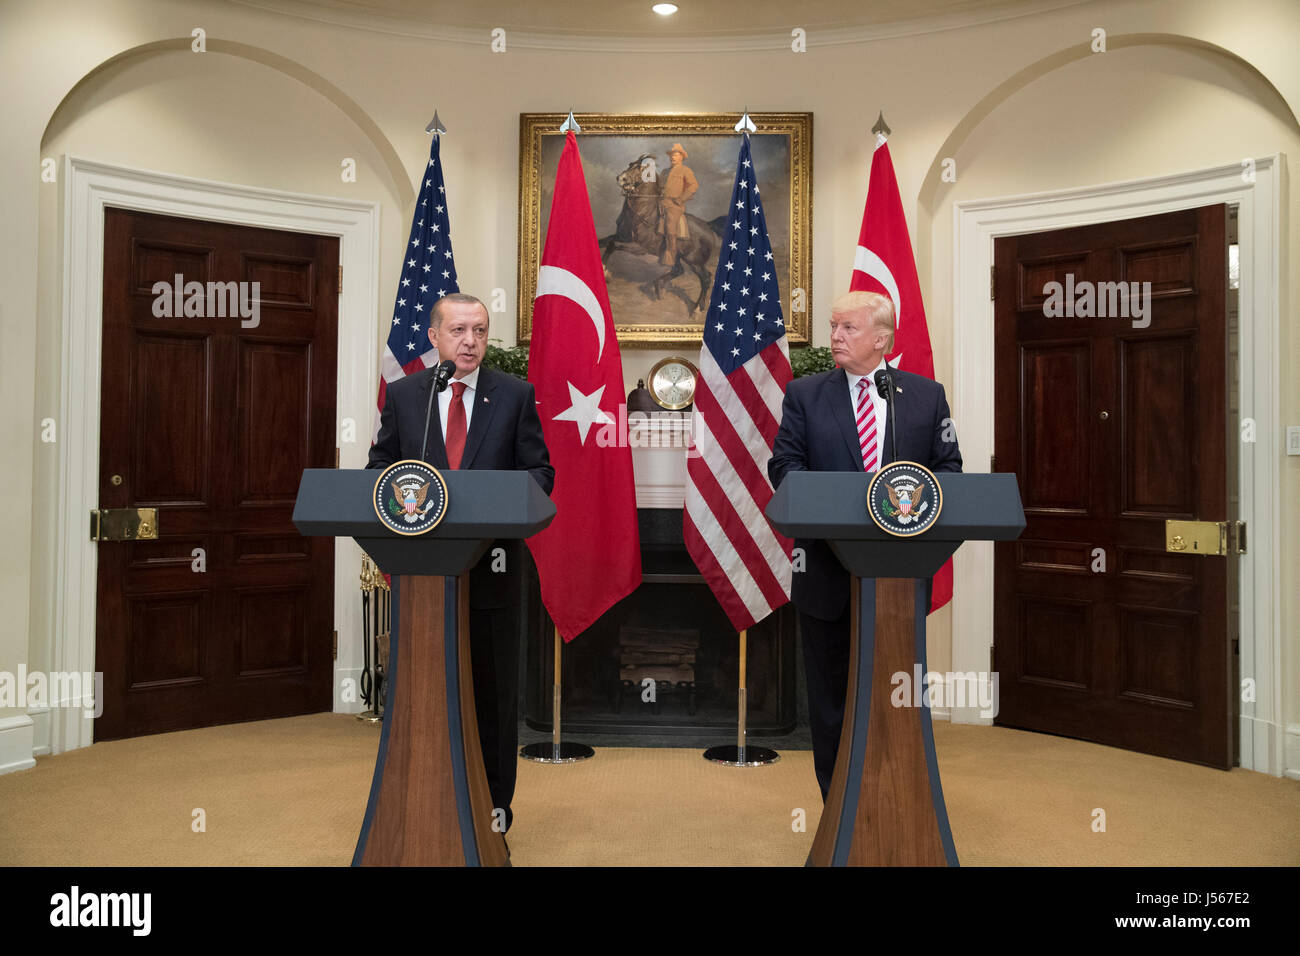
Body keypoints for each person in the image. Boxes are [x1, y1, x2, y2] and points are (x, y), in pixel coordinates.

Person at [368, 292, 554, 835]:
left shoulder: (514, 395)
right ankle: (422, 808)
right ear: (435, 337)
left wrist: (494, 505)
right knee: (424, 692)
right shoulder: (406, 397)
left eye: (479, 330)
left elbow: (540, 476)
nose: (469, 341)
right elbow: (381, 468)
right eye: (458, 331)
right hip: (423, 574)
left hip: (492, 571)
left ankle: (494, 810)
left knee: (492, 696)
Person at [768, 290, 962, 801]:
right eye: (833, 326)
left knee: (893, 697)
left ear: (882, 338)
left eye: (847, 328)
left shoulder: (926, 396)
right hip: (827, 573)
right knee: (832, 700)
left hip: (898, 577)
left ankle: (896, 803)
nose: (834, 336)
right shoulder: (805, 395)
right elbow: (785, 469)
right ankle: (838, 808)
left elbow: (949, 472)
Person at [658, 142, 698, 266]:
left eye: (675, 155)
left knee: (670, 225)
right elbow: (658, 187)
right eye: (671, 155)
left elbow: (694, 185)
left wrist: (681, 199)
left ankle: (670, 256)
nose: (672, 157)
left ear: (682, 157)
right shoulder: (664, 172)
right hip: (661, 202)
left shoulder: (686, 170)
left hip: (674, 205)